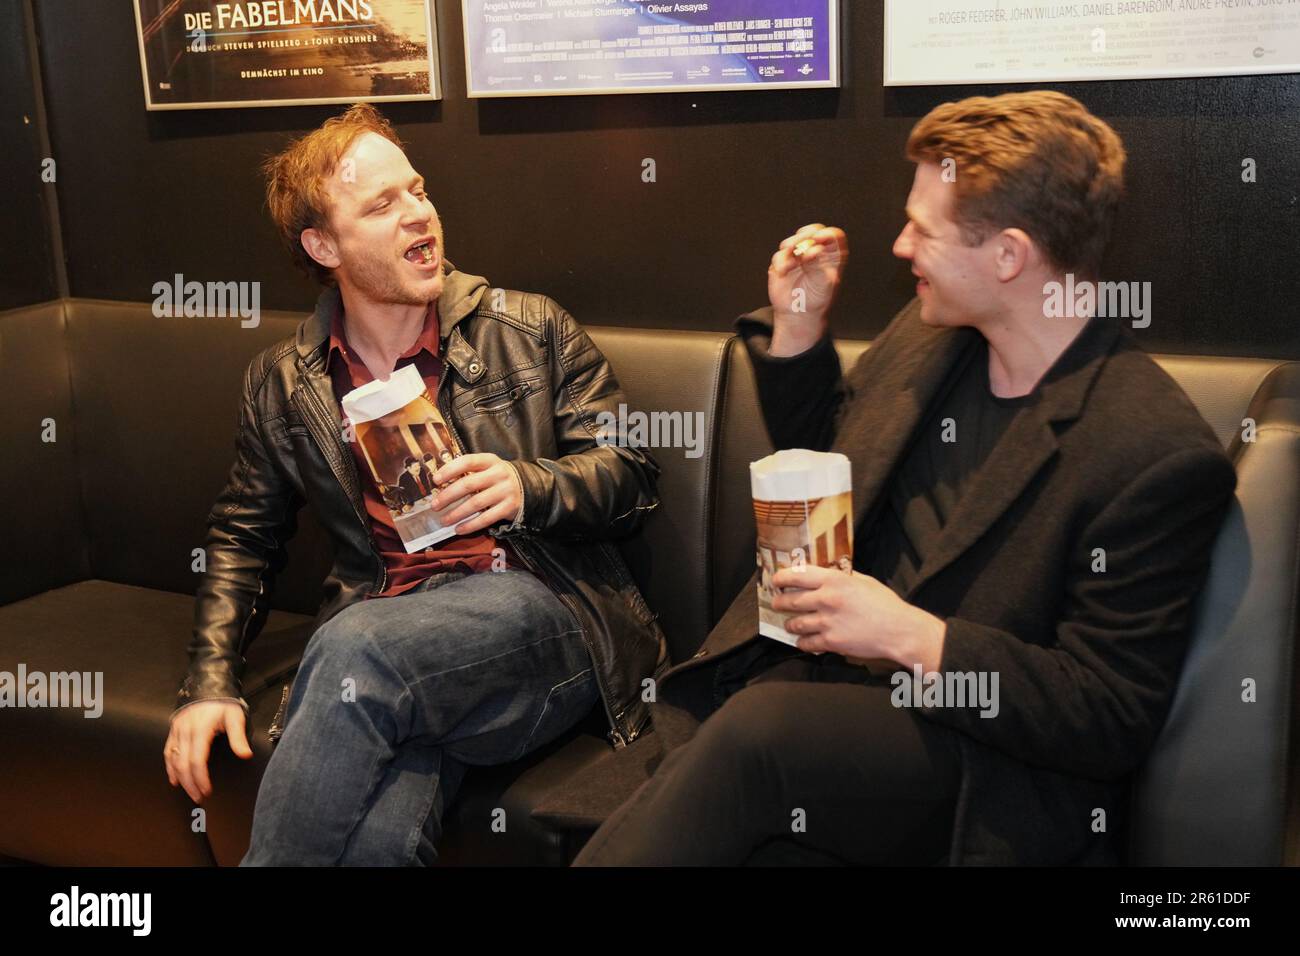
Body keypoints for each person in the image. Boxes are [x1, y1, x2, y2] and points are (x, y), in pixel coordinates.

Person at [571, 90, 1237, 866]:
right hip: (827, 705)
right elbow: (831, 459)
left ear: (1009, 255)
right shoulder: (933, 342)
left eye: (923, 228)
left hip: (975, 760)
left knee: (759, 734)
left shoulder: (1151, 448)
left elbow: (1107, 713)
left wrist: (911, 637)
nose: (899, 245)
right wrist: (799, 327)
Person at [161, 103, 667, 865]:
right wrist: (208, 683)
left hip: (542, 611)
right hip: (400, 634)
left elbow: (632, 472)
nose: (419, 215)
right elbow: (242, 535)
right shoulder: (285, 380)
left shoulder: (527, 328)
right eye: (382, 204)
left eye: (419, 190)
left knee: (354, 649)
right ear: (322, 244)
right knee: (373, 839)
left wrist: (525, 486)